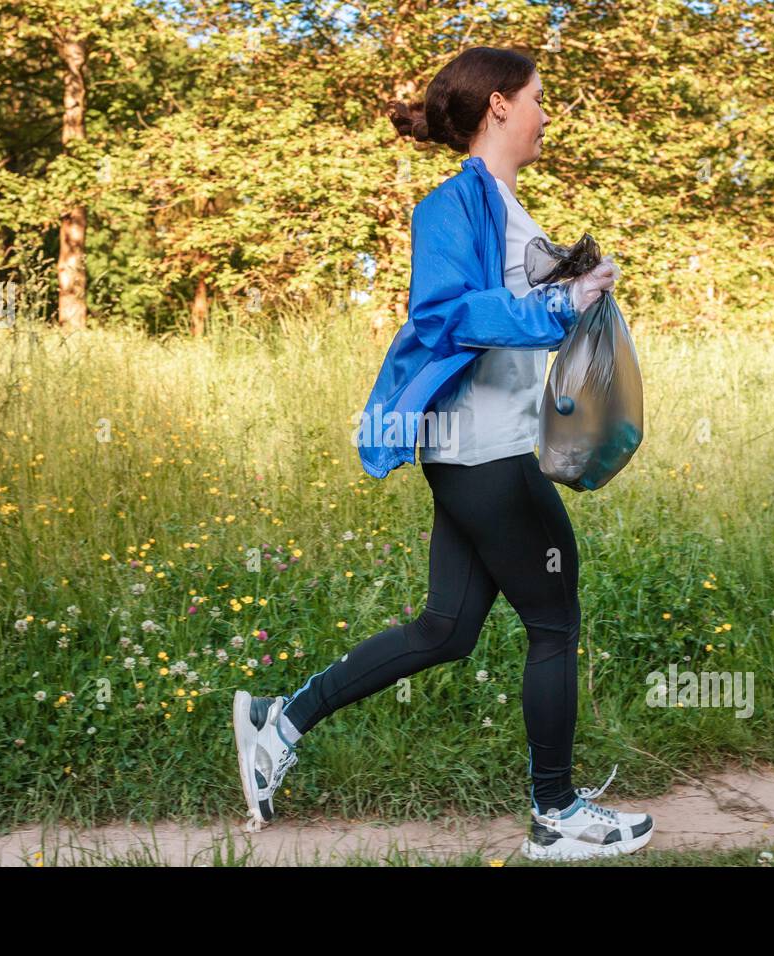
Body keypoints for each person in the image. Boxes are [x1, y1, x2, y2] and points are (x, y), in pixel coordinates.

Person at [232, 46, 653, 862]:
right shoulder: (450, 205)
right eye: (537, 98)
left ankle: (277, 723)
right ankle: (555, 816)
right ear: (498, 106)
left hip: (481, 447)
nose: (544, 113)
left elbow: (514, 311)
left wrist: (579, 288)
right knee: (554, 619)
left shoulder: (500, 205)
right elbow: (446, 315)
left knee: (446, 628)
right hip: (483, 448)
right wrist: (560, 302)